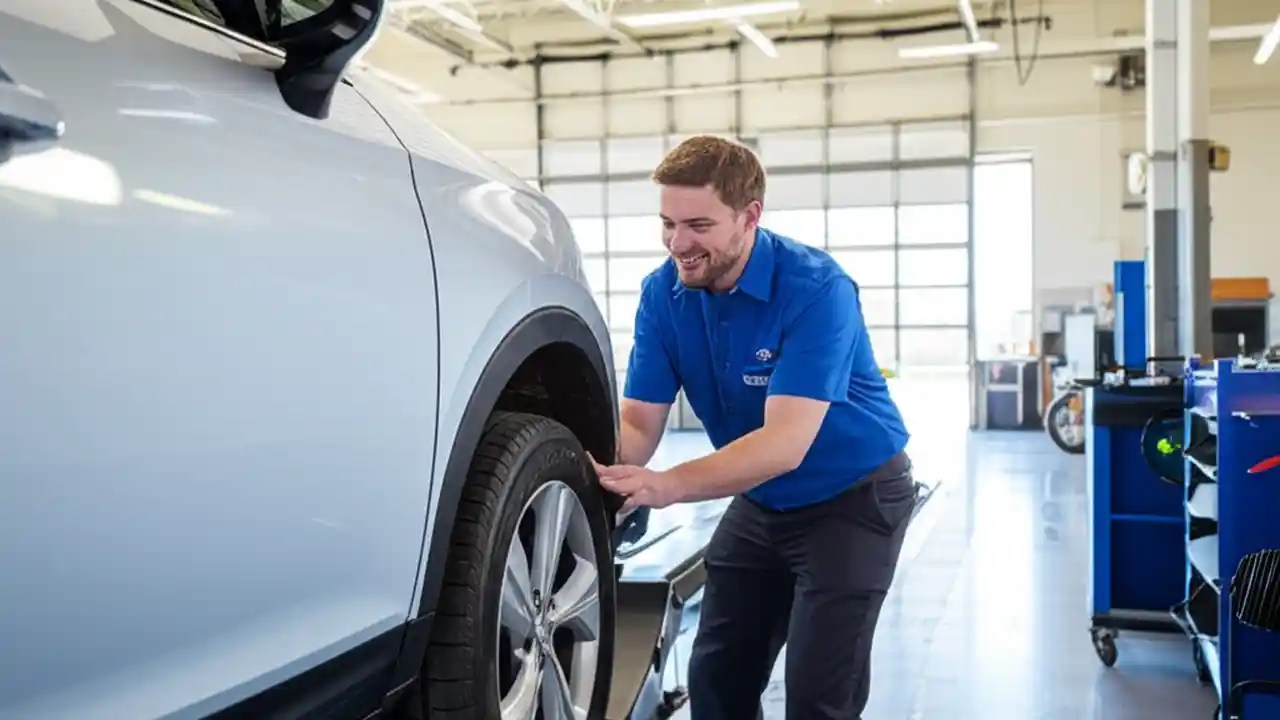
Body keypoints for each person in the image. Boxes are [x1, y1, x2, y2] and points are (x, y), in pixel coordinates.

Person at [588, 134, 915, 720]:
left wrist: (666, 486)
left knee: (818, 694)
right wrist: (607, 473)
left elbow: (784, 443)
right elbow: (640, 420)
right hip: (763, 502)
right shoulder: (663, 295)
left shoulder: (816, 290)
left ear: (750, 216)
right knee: (716, 679)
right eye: (667, 223)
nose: (678, 244)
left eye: (698, 225)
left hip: (853, 501)